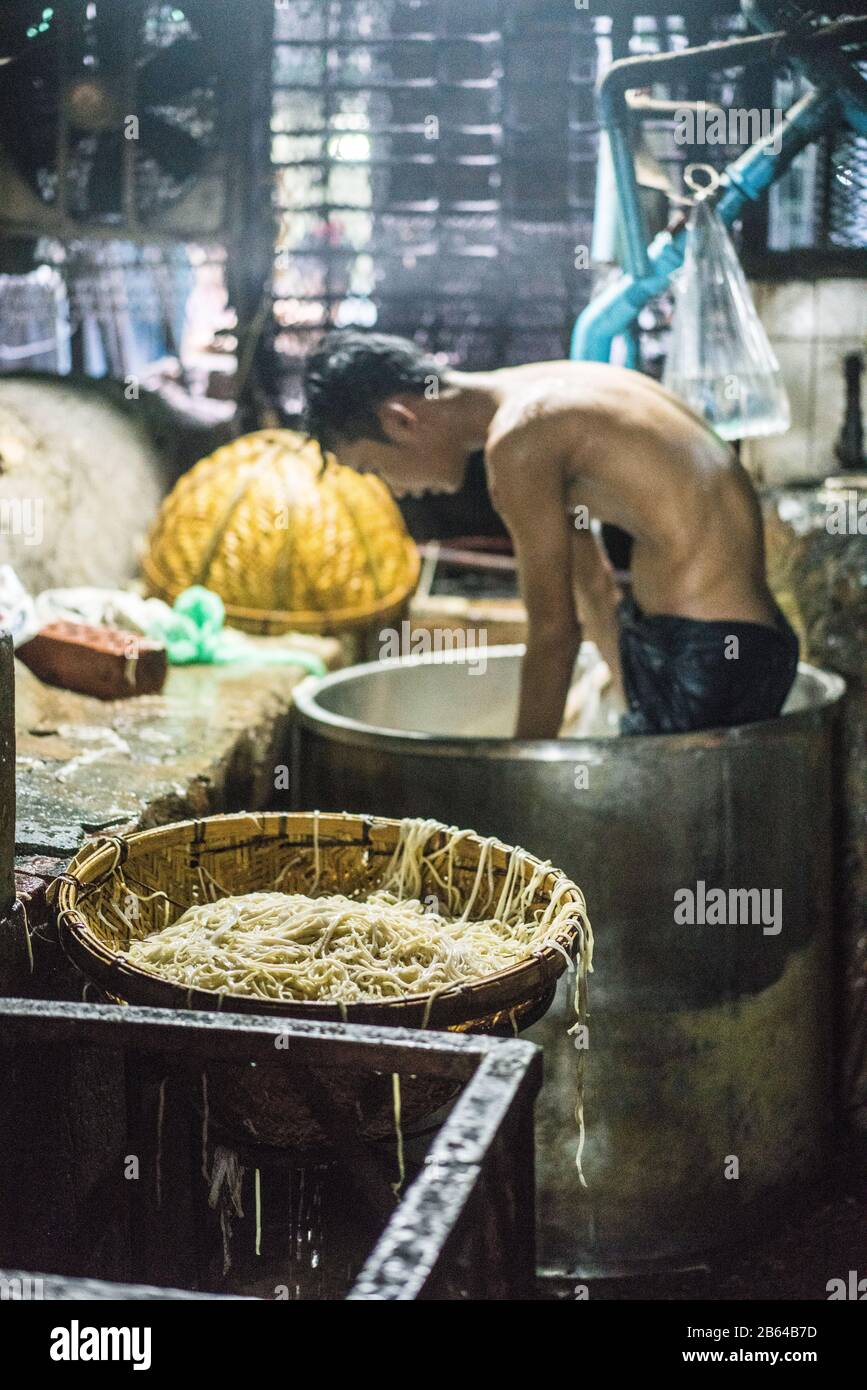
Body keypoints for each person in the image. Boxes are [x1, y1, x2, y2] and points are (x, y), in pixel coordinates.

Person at [303, 330, 799, 738]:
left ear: (401, 420)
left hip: (704, 660)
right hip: (747, 644)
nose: (397, 491)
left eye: (373, 468)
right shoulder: (546, 390)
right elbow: (593, 588)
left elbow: (555, 635)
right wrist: (617, 682)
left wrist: (519, 773)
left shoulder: (518, 443)